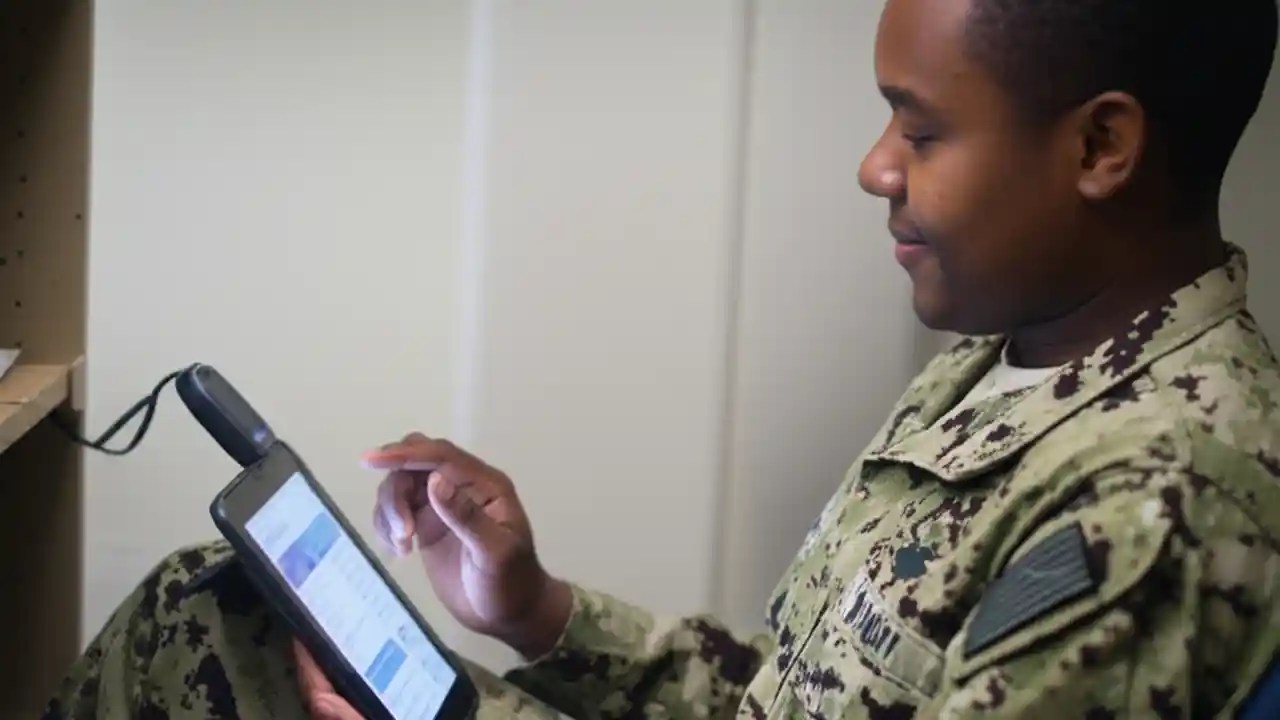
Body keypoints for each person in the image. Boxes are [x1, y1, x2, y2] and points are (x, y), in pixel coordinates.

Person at [42, 0, 1280, 717]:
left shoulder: (1152, 501)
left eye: (921, 127)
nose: (874, 166)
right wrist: (538, 614)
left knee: (193, 642)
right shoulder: (1019, 350)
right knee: (220, 600)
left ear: (1100, 147)